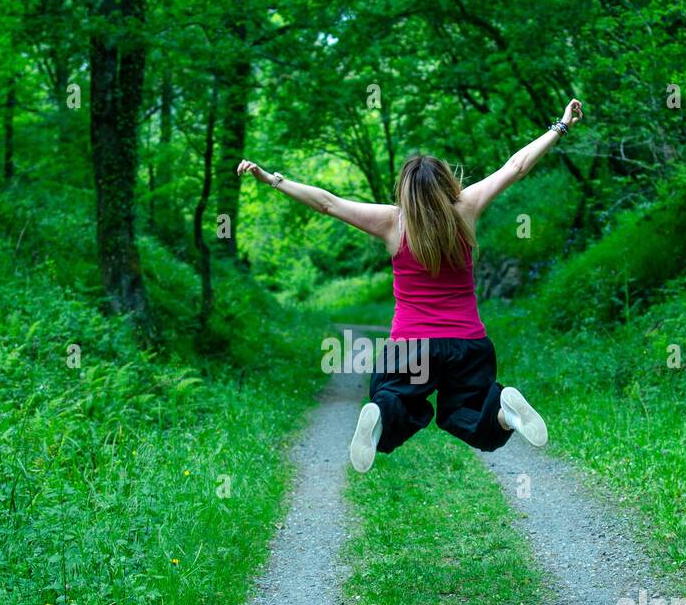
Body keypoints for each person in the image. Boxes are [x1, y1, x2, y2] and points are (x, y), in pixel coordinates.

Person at [238, 98, 583, 472]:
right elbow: (516, 167)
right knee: (468, 410)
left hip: (411, 347)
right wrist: (560, 126)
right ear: (446, 183)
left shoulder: (391, 223)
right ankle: (503, 413)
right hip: (467, 344)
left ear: (406, 191)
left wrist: (274, 180)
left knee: (394, 397)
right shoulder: (466, 209)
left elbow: (328, 204)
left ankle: (381, 416)